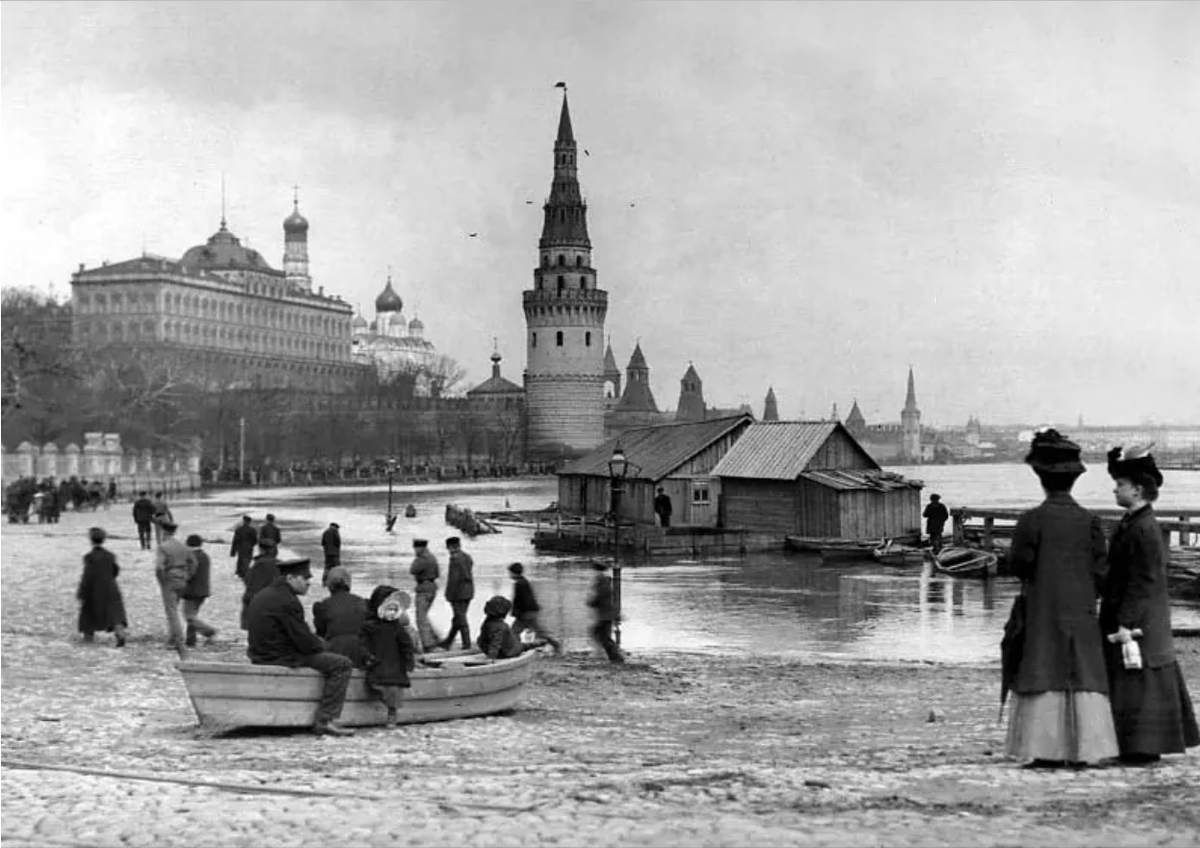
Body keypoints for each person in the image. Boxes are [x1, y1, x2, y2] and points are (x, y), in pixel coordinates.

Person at [1003, 428, 1118, 769]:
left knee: (1041, 664)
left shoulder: (1030, 521)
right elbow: (1102, 573)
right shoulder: (1091, 522)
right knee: (1082, 668)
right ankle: (1084, 748)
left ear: (1041, 479)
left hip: (1042, 606)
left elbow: (1019, 565)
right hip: (1081, 608)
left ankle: (1045, 749)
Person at [1102, 445, 1200, 765]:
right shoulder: (1137, 520)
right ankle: (1137, 745)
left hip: (1141, 615)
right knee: (1138, 678)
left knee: (1140, 678)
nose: (1115, 488)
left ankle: (1142, 747)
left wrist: (1126, 621)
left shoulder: (1142, 528)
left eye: (1120, 484)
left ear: (1138, 489)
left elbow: (1142, 581)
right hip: (1141, 613)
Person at [246, 558, 355, 737]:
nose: (308, 583)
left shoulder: (264, 594)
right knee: (341, 664)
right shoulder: (288, 601)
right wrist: (324, 646)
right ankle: (325, 720)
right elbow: (304, 642)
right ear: (290, 578)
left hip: (259, 654)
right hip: (281, 656)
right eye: (305, 579)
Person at [359, 585, 417, 726]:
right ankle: (389, 709)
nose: (391, 613)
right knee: (378, 682)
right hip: (378, 660)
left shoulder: (397, 628)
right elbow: (362, 644)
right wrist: (366, 656)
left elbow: (406, 646)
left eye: (394, 610)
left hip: (393, 661)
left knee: (392, 687)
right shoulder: (369, 626)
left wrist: (409, 661)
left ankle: (392, 713)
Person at [77, 527, 128, 647]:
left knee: (88, 614)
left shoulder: (90, 557)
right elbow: (115, 570)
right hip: (111, 587)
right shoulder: (110, 556)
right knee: (115, 614)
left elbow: (88, 575)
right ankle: (120, 634)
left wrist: (82, 591)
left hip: (94, 589)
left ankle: (88, 638)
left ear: (91, 540)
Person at [155, 520, 196, 656]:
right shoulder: (183, 546)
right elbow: (193, 563)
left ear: (164, 532)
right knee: (174, 609)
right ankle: (172, 637)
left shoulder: (163, 547)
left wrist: (162, 581)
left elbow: (159, 567)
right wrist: (188, 576)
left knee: (171, 612)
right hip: (182, 580)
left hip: (170, 579)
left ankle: (178, 640)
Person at [312, 566, 367, 663]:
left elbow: (320, 632)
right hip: (360, 652)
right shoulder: (362, 602)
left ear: (329, 585)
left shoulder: (323, 605)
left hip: (335, 653)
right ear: (348, 584)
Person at [509, 562, 562, 654]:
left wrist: (517, 613)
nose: (509, 575)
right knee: (540, 632)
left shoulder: (519, 584)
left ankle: (515, 649)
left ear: (514, 573)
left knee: (513, 632)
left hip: (525, 613)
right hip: (531, 612)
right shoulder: (525, 581)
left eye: (510, 573)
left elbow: (520, 601)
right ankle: (555, 644)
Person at [437, 537, 474, 651]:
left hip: (458, 593)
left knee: (460, 618)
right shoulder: (467, 557)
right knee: (458, 618)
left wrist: (448, 594)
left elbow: (454, 578)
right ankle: (448, 641)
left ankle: (466, 644)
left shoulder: (455, 558)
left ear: (450, 547)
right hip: (468, 591)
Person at [182, 534, 218, 647]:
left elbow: (188, 574)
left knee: (189, 616)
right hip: (203, 591)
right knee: (193, 615)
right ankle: (190, 640)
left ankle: (209, 631)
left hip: (192, 591)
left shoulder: (191, 557)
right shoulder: (205, 556)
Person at [409, 538, 443, 651]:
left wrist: (416, 558)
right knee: (424, 616)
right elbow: (438, 573)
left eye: (416, 548)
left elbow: (412, 570)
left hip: (423, 589)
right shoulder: (432, 557)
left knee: (421, 618)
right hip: (432, 588)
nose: (415, 550)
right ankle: (435, 638)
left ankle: (428, 645)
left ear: (420, 548)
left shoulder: (421, 559)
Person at [587, 561, 624, 664]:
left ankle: (616, 657)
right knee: (600, 635)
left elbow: (600, 597)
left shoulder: (602, 581)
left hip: (605, 614)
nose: (593, 573)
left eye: (595, 570)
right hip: (604, 614)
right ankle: (612, 656)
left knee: (602, 636)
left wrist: (592, 602)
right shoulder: (602, 581)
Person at [241, 538, 280, 630]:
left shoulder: (259, 563)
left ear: (261, 550)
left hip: (257, 599)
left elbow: (248, 580)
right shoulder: (279, 563)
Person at [476, 596, 522, 660]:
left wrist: (491, 657)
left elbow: (495, 643)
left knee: (520, 645)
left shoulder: (497, 625)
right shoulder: (492, 622)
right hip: (508, 647)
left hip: (508, 652)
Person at [229, 515, 258, 581]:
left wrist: (233, 552)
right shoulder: (252, 530)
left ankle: (240, 572)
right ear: (249, 522)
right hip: (249, 547)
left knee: (240, 559)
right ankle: (245, 572)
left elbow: (235, 541)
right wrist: (251, 545)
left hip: (241, 547)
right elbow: (255, 540)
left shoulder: (239, 530)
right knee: (248, 559)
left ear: (244, 521)